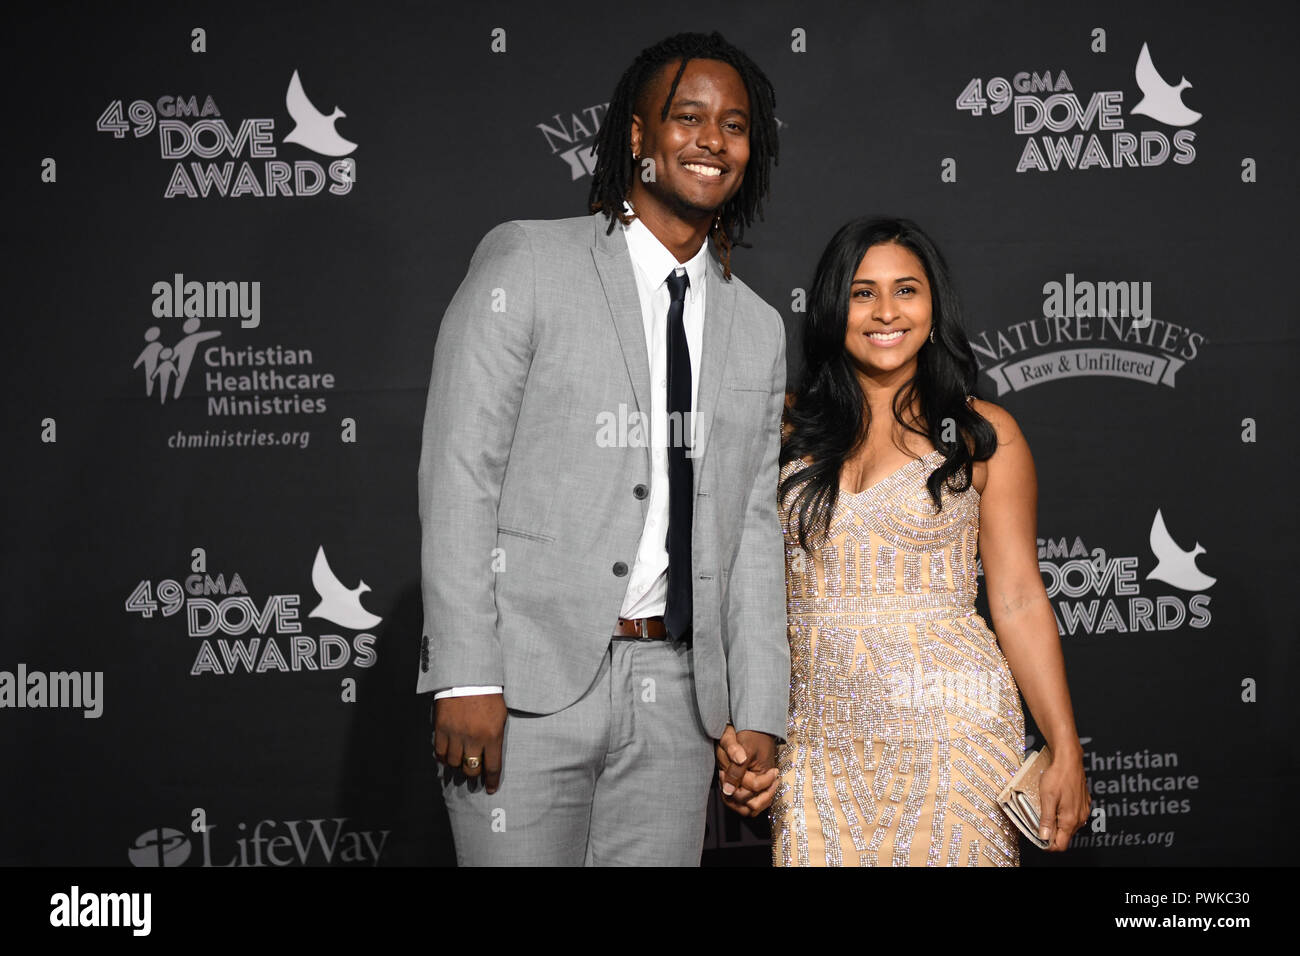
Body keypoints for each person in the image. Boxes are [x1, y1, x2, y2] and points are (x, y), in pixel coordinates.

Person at [415, 31, 789, 865]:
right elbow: (459, 472)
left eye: (733, 125)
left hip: (677, 700)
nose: (711, 140)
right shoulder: (531, 262)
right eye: (687, 116)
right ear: (636, 136)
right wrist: (468, 674)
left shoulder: (758, 327)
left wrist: (761, 705)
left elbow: (753, 530)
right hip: (525, 689)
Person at [767, 216, 1090, 866]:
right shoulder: (782, 431)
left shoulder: (981, 434)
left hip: (954, 732)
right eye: (863, 292)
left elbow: (1021, 598)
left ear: (934, 306)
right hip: (816, 740)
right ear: (834, 308)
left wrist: (1064, 744)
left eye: (906, 290)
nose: (886, 311)